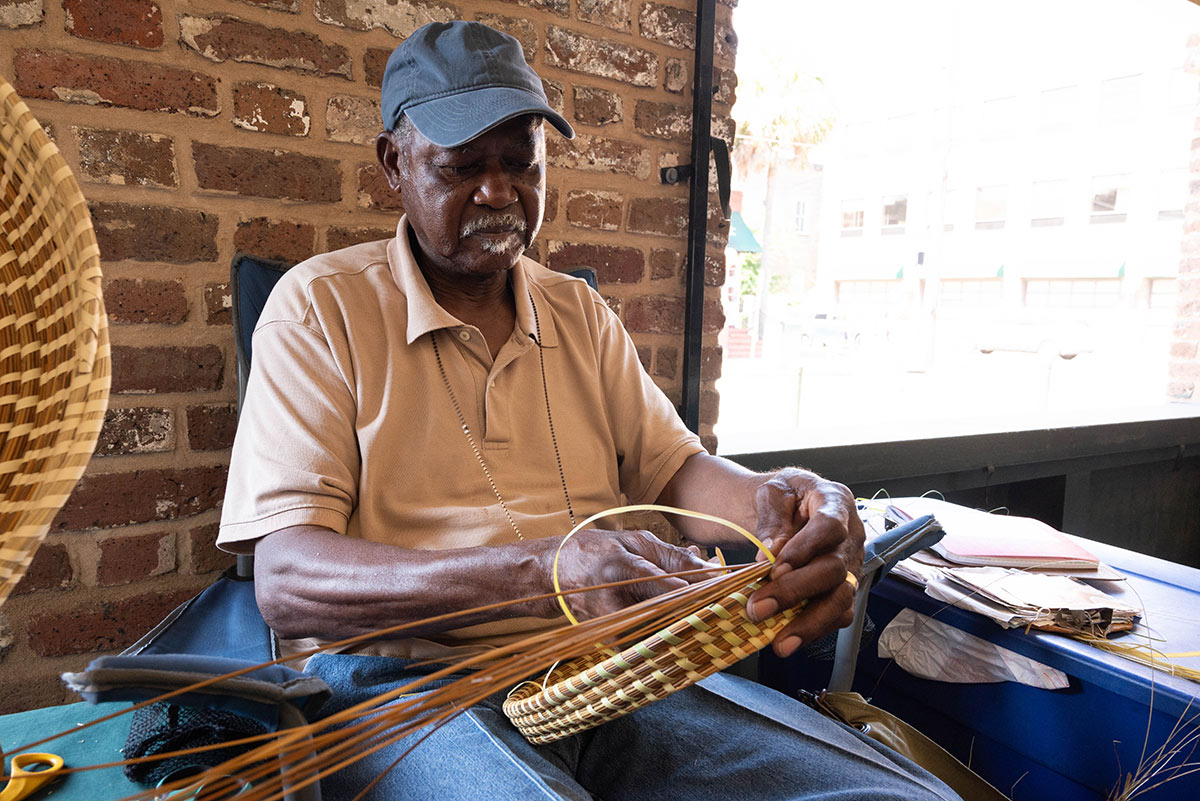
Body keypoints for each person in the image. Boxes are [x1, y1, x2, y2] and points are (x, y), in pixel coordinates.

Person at [218, 20, 961, 801]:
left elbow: (676, 471)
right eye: (463, 165)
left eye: (521, 162)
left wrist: (786, 503)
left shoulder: (578, 314)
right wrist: (538, 574)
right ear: (393, 165)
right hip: (408, 688)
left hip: (610, 672)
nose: (498, 190)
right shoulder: (319, 310)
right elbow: (289, 577)